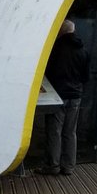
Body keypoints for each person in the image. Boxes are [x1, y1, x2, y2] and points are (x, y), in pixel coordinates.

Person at [39, 19, 90, 176]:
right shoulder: (83, 50)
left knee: (55, 131)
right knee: (70, 132)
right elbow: (85, 76)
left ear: (61, 31)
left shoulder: (55, 49)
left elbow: (48, 72)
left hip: (58, 95)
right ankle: (68, 166)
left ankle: (52, 165)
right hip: (75, 96)